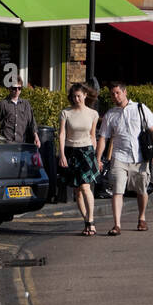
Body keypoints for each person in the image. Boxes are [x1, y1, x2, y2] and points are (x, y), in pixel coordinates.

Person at [95, 81, 153, 236]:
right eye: (112, 94)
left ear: (125, 92)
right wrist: (98, 159)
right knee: (117, 191)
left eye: (117, 93)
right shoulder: (110, 114)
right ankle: (117, 225)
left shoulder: (140, 108)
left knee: (142, 190)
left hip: (139, 158)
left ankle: (142, 218)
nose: (115, 96)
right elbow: (103, 138)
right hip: (119, 157)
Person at [58, 83, 100, 235]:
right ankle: (86, 221)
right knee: (77, 191)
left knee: (85, 186)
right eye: (74, 96)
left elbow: (93, 135)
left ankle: (91, 221)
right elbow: (62, 134)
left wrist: (95, 155)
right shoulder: (66, 113)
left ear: (85, 95)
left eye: (79, 96)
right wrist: (61, 154)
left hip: (87, 151)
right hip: (70, 151)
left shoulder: (93, 114)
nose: (76, 99)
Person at [0, 80, 41, 146]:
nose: (17, 90)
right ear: (9, 88)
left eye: (19, 88)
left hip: (21, 144)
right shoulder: (2, 104)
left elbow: (32, 122)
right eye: (14, 88)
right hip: (6, 143)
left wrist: (36, 137)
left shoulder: (26, 104)